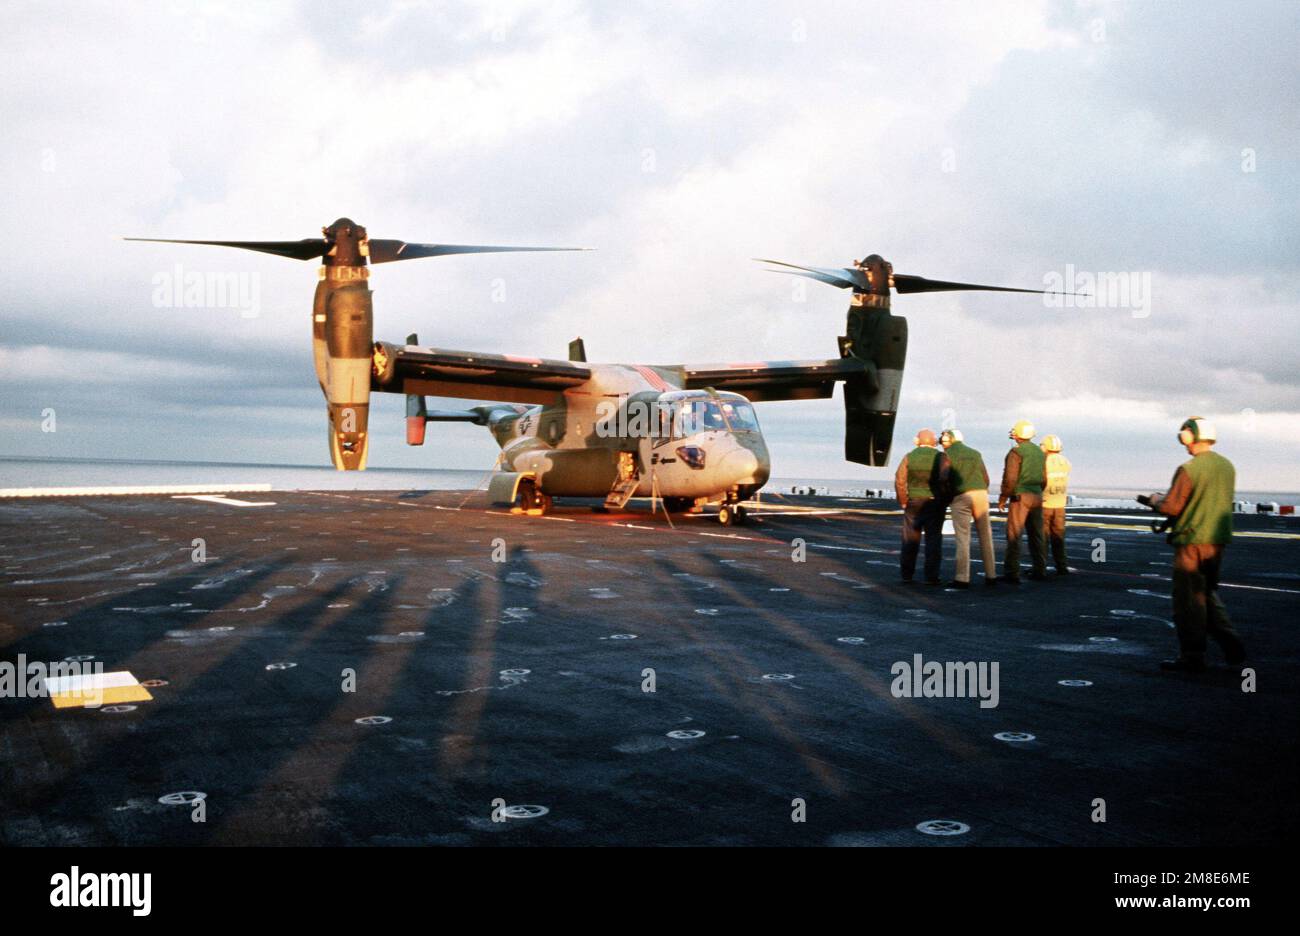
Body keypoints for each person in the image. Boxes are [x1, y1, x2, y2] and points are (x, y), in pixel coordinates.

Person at [1145, 417, 1245, 673]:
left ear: (1189, 436)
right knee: (1206, 593)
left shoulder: (1189, 468)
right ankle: (1230, 641)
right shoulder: (1227, 466)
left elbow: (1172, 506)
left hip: (1192, 540)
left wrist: (1155, 500)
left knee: (1189, 601)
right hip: (1217, 539)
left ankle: (1192, 656)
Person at [939, 429, 997, 589]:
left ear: (948, 440)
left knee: (963, 538)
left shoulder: (946, 455)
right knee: (986, 535)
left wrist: (946, 497)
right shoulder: (975, 453)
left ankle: (962, 577)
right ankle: (991, 575)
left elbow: (943, 478)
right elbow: (985, 478)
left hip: (961, 496)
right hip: (981, 494)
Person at [894, 427, 948, 585]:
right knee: (933, 540)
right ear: (934, 442)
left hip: (913, 502)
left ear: (917, 441)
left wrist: (903, 500)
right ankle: (931, 576)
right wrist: (943, 499)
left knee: (910, 539)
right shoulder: (941, 456)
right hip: (934, 502)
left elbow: (900, 480)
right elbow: (945, 479)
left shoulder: (909, 456)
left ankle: (907, 575)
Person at [997, 419, 1048, 583]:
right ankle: (1040, 569)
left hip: (1020, 497)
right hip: (1037, 495)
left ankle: (1012, 573)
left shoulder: (1016, 452)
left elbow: (1010, 478)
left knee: (1014, 535)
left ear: (1018, 434)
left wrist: (1003, 497)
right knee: (1037, 535)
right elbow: (1044, 478)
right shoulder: (1040, 452)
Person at [1040, 434, 1072, 575]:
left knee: (1043, 538)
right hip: (1060, 505)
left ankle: (1041, 568)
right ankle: (1062, 566)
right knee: (1058, 538)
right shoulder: (1065, 462)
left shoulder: (1043, 462)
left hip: (1045, 504)